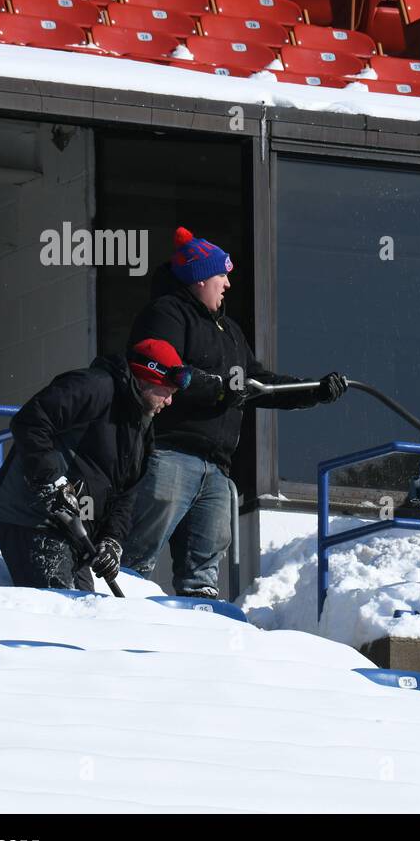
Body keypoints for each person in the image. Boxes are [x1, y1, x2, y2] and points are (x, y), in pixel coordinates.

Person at [123, 227, 346, 598]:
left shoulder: (230, 331)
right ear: (198, 278)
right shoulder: (167, 315)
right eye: (221, 275)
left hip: (218, 468)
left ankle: (200, 623)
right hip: (170, 454)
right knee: (137, 553)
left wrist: (313, 391)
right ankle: (114, 611)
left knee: (204, 572)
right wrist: (221, 389)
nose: (227, 283)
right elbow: (163, 371)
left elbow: (260, 383)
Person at [0, 339, 188, 591]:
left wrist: (112, 540)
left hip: (74, 532)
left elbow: (126, 493)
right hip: (32, 517)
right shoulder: (95, 386)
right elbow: (30, 422)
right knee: (63, 609)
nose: (169, 402)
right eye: (167, 391)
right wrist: (51, 481)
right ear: (147, 378)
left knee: (87, 612)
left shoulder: (140, 427)